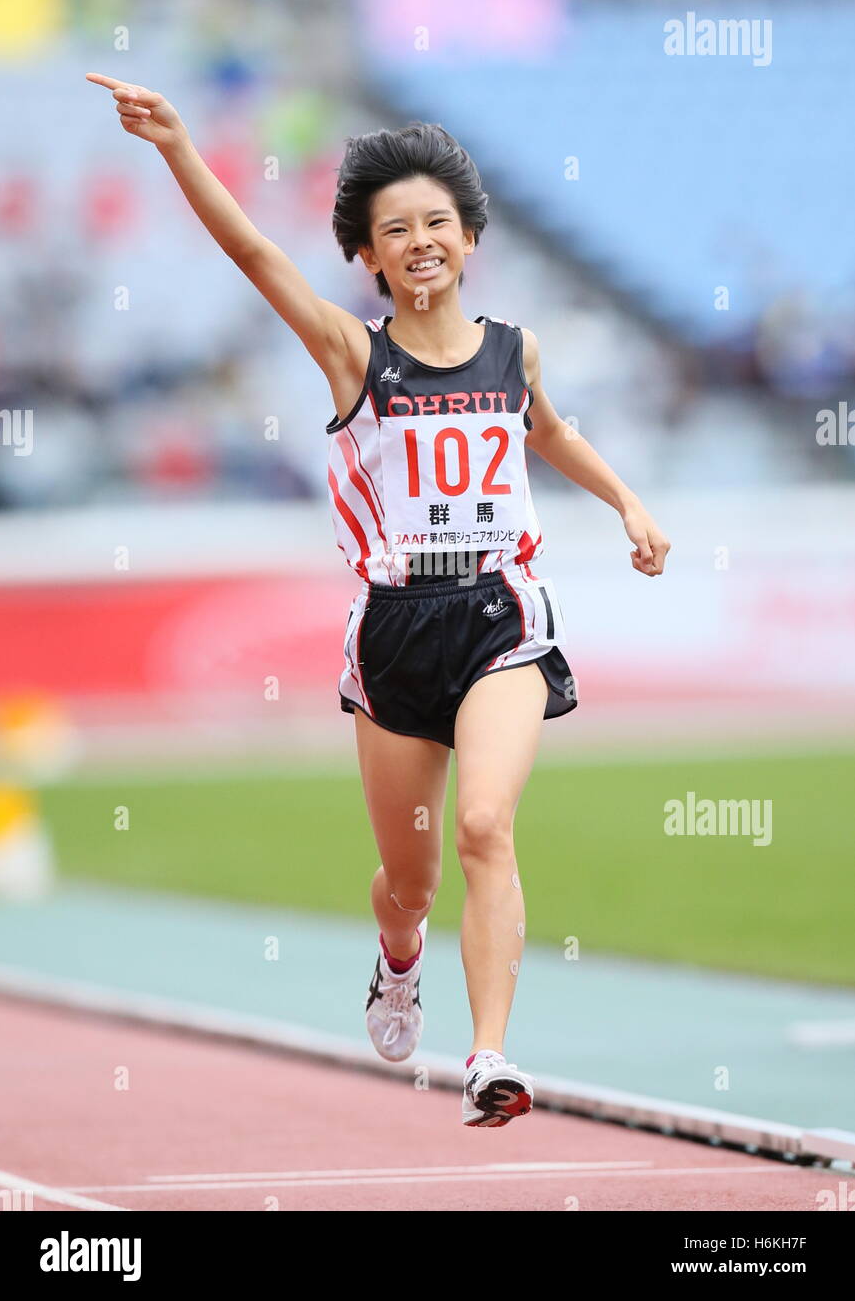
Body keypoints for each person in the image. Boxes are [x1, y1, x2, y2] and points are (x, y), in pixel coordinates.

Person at [86, 75, 671, 1126]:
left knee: (487, 825)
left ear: (468, 235)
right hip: (395, 633)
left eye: (436, 222)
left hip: (501, 615)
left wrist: (626, 500)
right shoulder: (353, 353)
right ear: (366, 253)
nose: (418, 241)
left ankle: (486, 1055)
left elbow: (544, 429)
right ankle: (397, 959)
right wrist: (176, 144)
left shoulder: (512, 348)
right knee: (409, 877)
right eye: (393, 229)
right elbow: (254, 257)